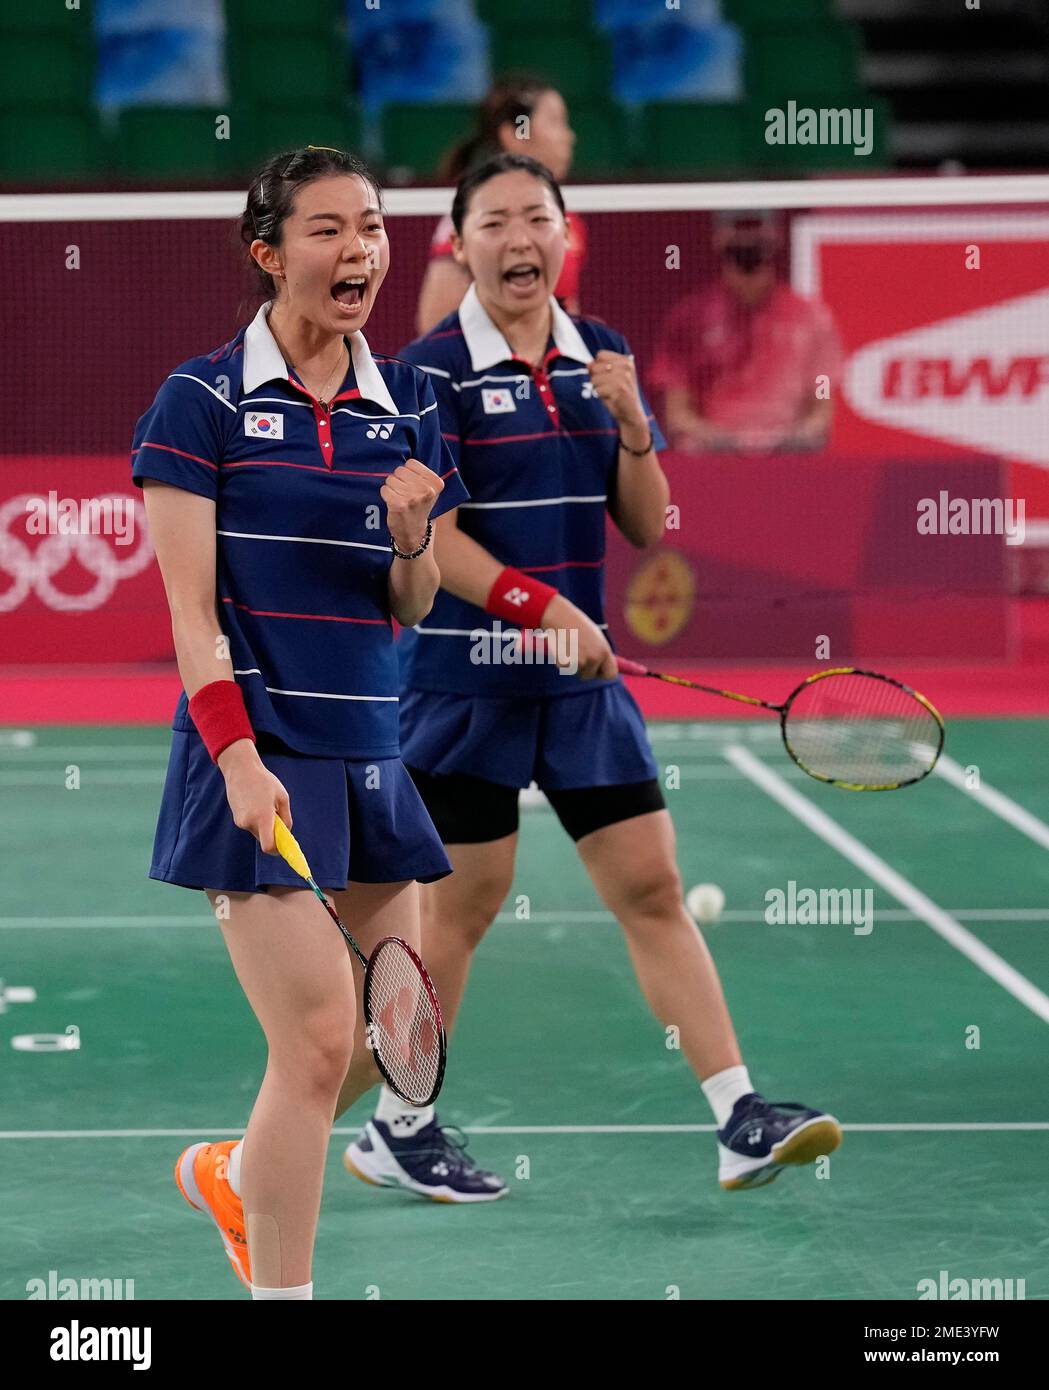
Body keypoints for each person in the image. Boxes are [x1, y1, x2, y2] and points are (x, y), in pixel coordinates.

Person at [335, 152, 843, 1201]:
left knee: (651, 887)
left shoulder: (600, 352)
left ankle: (738, 1114)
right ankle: (400, 1123)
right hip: (464, 685)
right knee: (458, 910)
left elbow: (648, 522)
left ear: (563, 237)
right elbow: (438, 537)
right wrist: (541, 607)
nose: (519, 239)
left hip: (579, 694)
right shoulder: (427, 371)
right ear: (461, 243)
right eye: (494, 222)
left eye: (537, 219)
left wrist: (633, 425)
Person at [131, 146, 467, 1297]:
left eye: (370, 227)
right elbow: (190, 612)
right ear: (270, 253)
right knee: (318, 1046)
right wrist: (232, 752)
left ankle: (236, 1174)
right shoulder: (203, 401)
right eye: (326, 230)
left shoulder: (413, 405)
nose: (358, 251)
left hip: (375, 756)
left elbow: (406, 607)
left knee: (389, 1050)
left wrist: (416, 536)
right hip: (260, 752)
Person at [649, 211, 843, 454]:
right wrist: (718, 440)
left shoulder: (812, 318)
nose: (749, 273)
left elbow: (822, 396)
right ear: (721, 247)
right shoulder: (689, 319)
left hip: (788, 456)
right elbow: (678, 413)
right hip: (715, 456)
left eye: (757, 255)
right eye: (738, 256)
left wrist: (803, 433)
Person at [416, 77, 586, 334]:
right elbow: (434, 327)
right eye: (555, 122)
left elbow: (567, 315)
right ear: (516, 134)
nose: (569, 136)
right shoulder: (470, 215)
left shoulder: (565, 220)